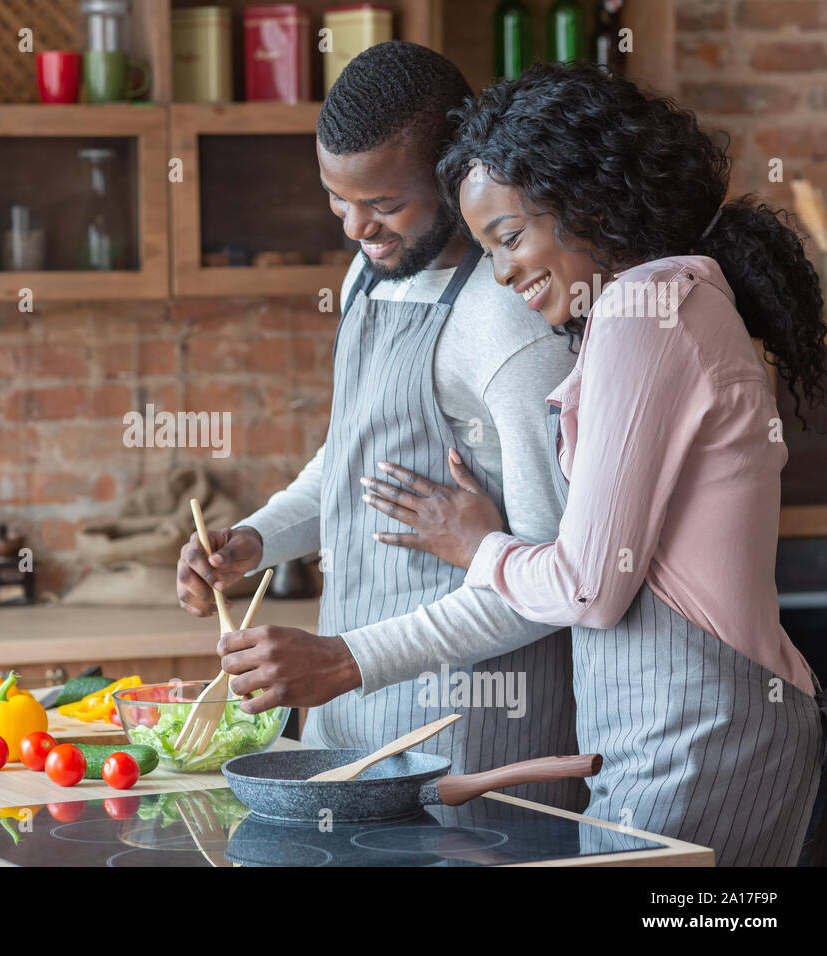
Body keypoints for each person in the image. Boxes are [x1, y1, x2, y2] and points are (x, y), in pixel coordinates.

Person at [364, 61, 827, 865]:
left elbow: (589, 585)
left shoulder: (643, 314)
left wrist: (478, 548)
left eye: (509, 237)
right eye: (486, 249)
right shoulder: (677, 298)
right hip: (702, 738)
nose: (502, 273)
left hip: (696, 747)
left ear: (590, 202)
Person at [176, 42, 586, 811]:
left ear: (455, 170)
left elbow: (550, 579)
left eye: (384, 204)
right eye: (338, 201)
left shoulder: (508, 323)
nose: (356, 228)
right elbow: (352, 459)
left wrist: (342, 658)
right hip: (348, 719)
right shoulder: (372, 270)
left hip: (469, 732)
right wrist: (258, 540)